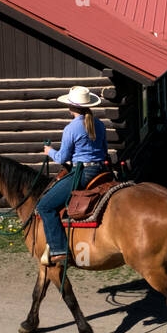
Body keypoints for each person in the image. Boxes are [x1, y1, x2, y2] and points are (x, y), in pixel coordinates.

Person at [36, 85, 110, 265]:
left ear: (72, 106)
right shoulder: (99, 124)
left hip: (83, 173)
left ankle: (59, 249)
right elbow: (105, 150)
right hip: (101, 172)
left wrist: (49, 151)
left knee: (45, 206)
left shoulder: (72, 128)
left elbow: (63, 157)